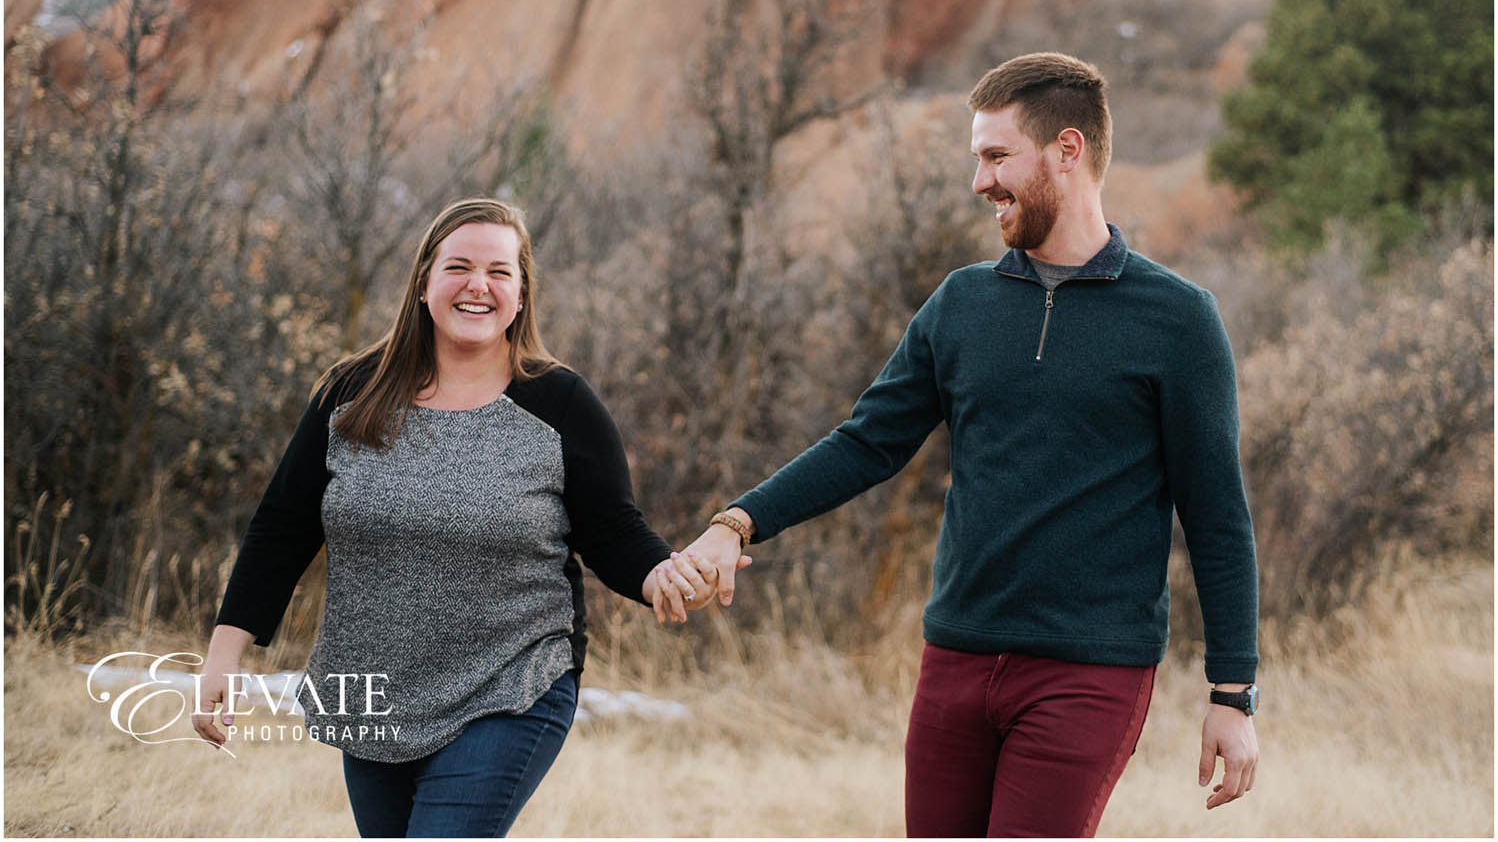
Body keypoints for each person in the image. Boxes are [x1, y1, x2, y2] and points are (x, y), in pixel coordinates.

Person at [685, 53, 1260, 839]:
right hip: (955, 657)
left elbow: (1218, 518)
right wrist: (736, 523)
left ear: (1068, 150)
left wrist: (1233, 695)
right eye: (976, 159)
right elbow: (866, 444)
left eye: (997, 156)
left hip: (1087, 672)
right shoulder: (962, 304)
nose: (980, 181)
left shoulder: (1178, 320)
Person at [192, 198, 721, 838]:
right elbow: (282, 527)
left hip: (510, 683)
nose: (479, 286)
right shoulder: (350, 394)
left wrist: (659, 572)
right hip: (374, 692)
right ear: (424, 284)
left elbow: (611, 529)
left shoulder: (560, 402)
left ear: (521, 295)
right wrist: (223, 656)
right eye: (460, 267)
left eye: (500, 272)